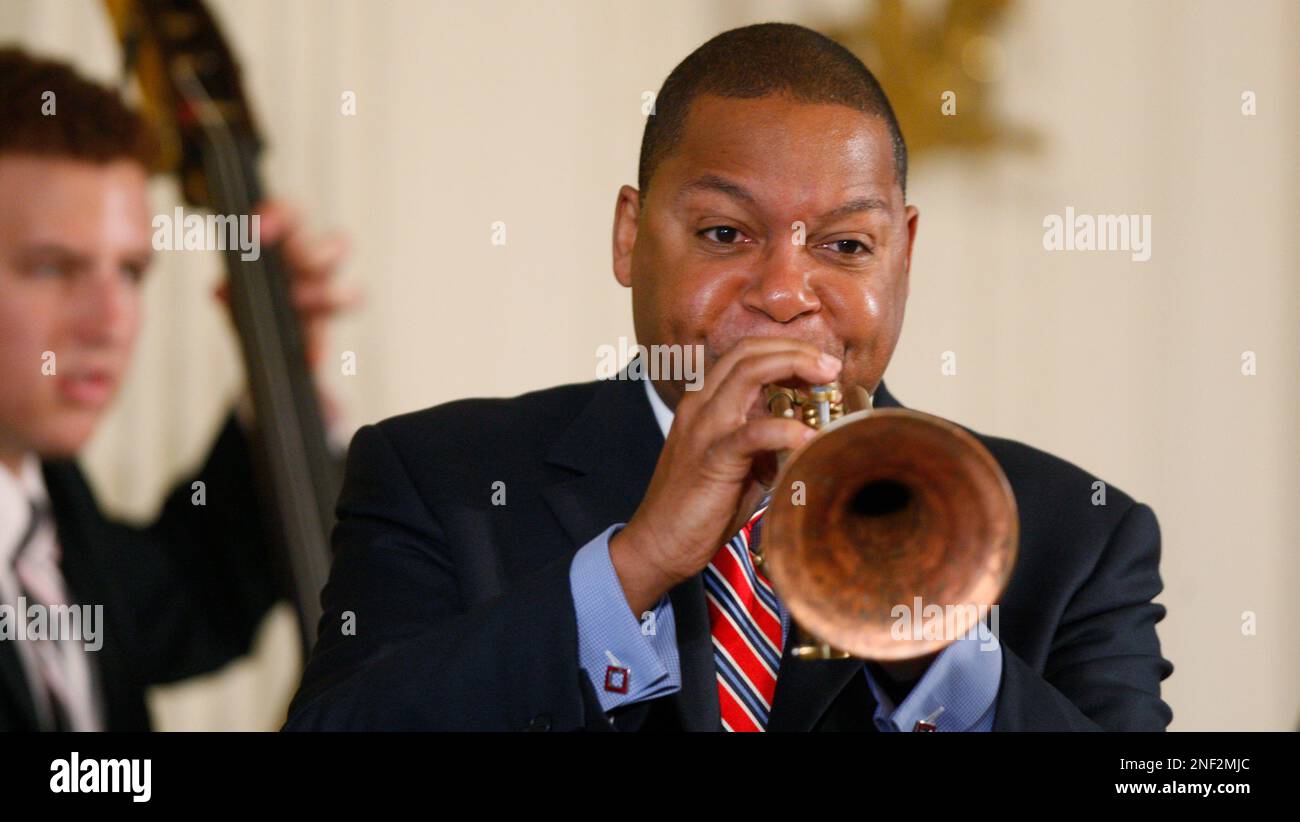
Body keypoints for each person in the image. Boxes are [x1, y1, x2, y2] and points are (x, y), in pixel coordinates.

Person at [284, 23, 1173, 731]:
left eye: (847, 246)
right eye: (723, 234)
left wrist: (929, 643)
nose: (786, 293)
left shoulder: (1076, 536)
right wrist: (632, 567)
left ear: (903, 256)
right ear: (630, 237)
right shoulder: (437, 478)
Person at [0, 48, 351, 731]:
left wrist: (281, 377)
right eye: (52, 268)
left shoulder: (53, 500)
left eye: (130, 271)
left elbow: (195, 596)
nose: (110, 322)